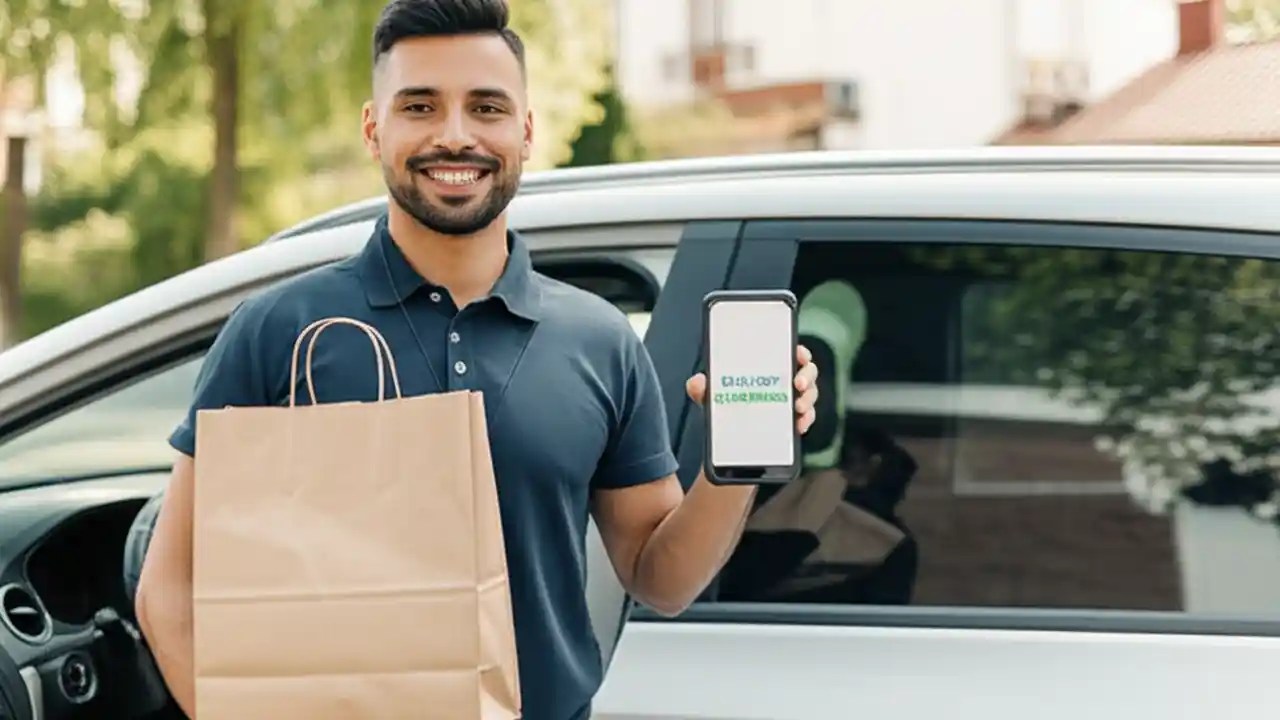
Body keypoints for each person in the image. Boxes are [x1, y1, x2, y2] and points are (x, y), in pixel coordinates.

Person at [132, 1, 820, 718]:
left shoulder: (599, 341)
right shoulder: (278, 332)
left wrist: (732, 459)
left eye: (486, 108)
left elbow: (663, 581)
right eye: (420, 107)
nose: (454, 136)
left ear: (525, 130)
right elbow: (169, 591)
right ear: (376, 129)